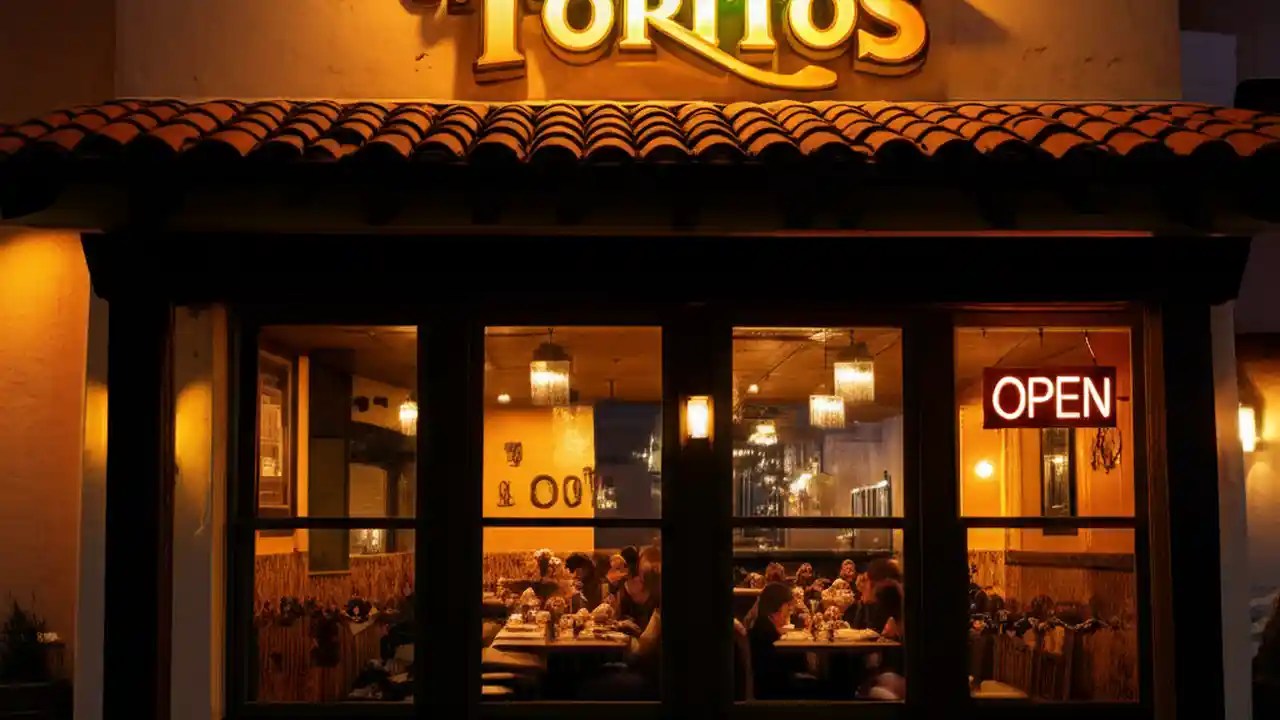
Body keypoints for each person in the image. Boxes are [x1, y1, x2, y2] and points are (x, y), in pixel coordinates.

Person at [749, 582, 809, 699]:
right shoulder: (764, 630)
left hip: (774, 685)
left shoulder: (763, 624)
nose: (789, 611)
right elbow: (782, 666)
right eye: (787, 606)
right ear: (776, 607)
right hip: (775, 691)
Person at [617, 546, 660, 632]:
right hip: (628, 637)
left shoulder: (656, 590)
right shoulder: (623, 587)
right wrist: (622, 623)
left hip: (648, 639)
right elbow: (617, 617)